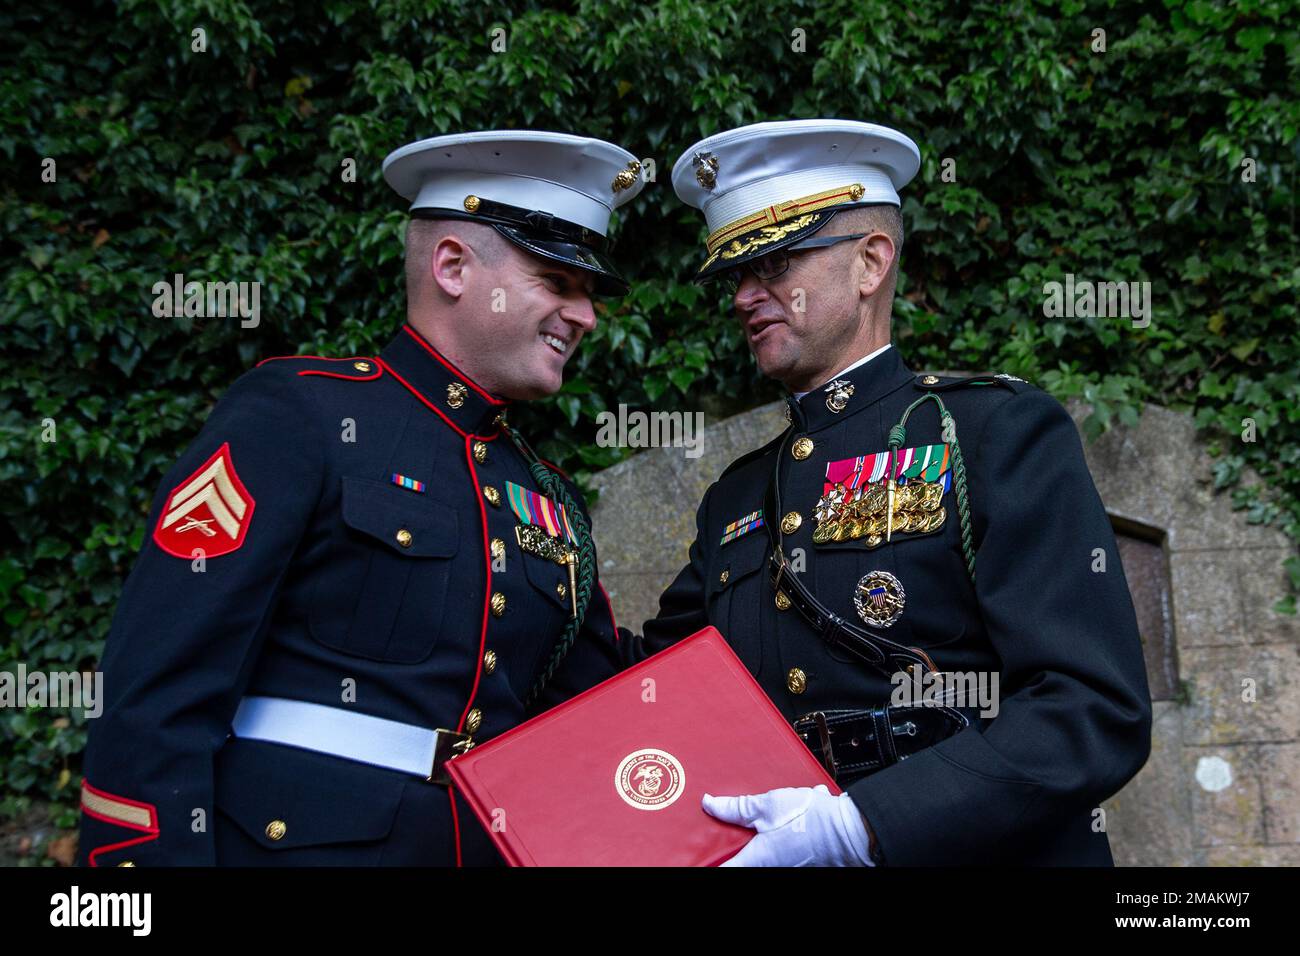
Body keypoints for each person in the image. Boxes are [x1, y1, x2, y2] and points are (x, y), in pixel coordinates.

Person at [77, 130, 645, 866]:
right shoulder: (298, 414)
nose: (586, 316)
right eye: (558, 283)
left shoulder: (544, 495)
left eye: (590, 294)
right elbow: (157, 696)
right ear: (452, 267)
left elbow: (608, 696)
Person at [612, 119, 1153, 865]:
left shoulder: (992, 434)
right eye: (734, 276)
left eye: (774, 263)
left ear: (871, 263)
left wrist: (861, 825)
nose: (744, 296)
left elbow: (1091, 708)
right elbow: (653, 682)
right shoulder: (738, 498)